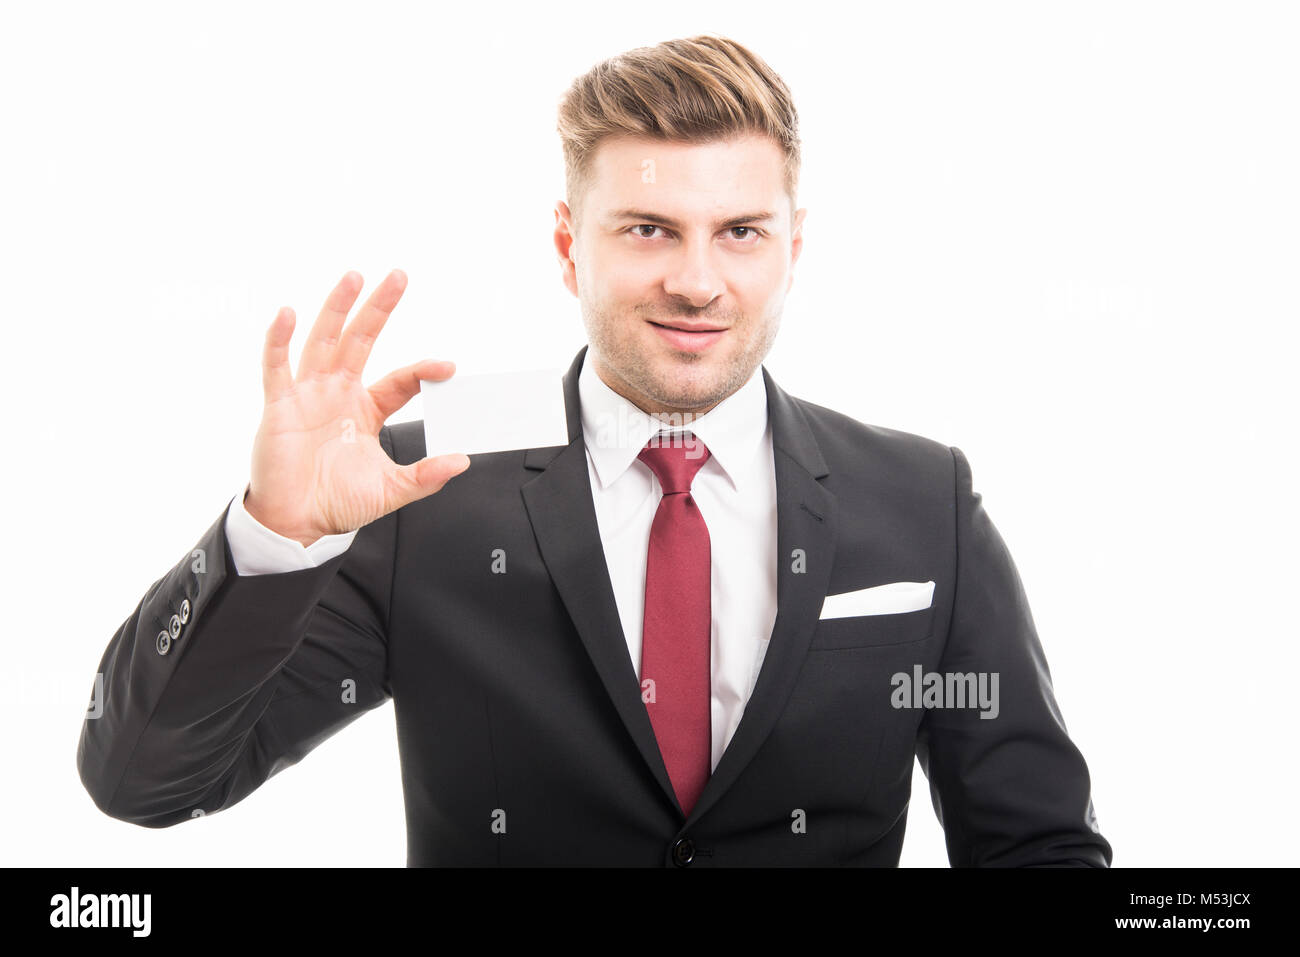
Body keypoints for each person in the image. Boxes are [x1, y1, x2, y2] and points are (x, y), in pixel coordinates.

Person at [77, 34, 1112, 867]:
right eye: (649, 230)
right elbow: (147, 787)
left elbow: (1036, 848)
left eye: (741, 231)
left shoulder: (923, 499)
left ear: (796, 245)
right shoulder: (419, 482)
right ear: (570, 242)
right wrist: (275, 537)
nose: (698, 281)